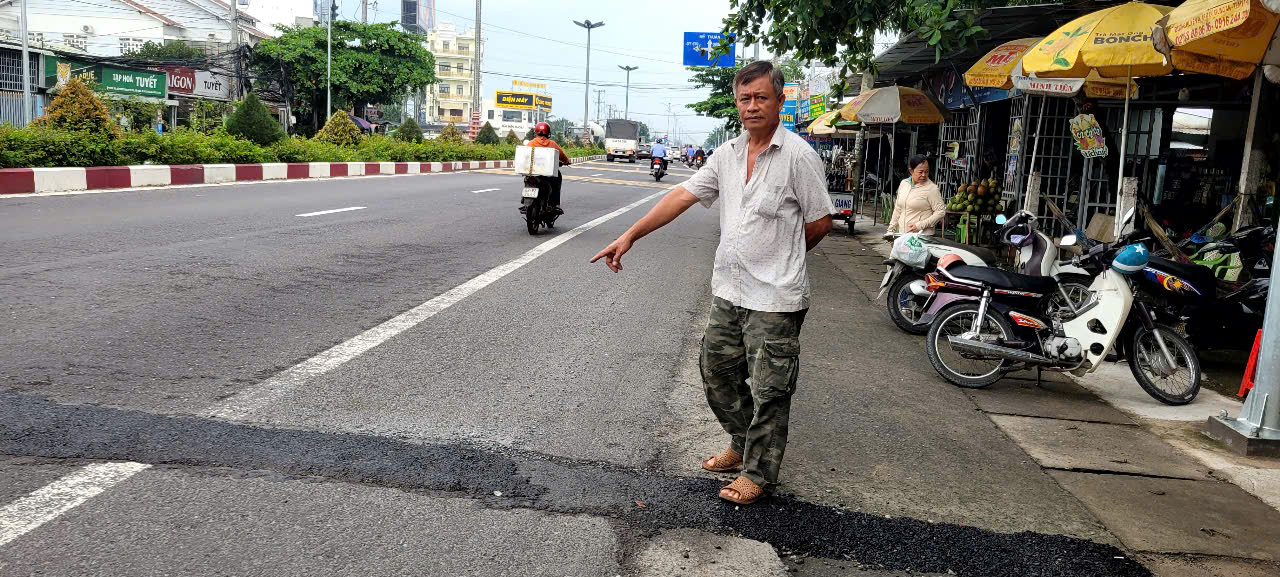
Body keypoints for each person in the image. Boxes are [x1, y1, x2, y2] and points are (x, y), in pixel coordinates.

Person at [591, 60, 834, 506]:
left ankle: (758, 474)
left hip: (775, 298)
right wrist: (629, 236)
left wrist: (783, 258)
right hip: (729, 290)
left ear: (780, 101)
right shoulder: (727, 155)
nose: (752, 106)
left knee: (771, 388)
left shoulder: (799, 156)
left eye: (761, 97)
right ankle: (742, 442)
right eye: (745, 98)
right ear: (737, 103)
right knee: (716, 373)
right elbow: (681, 196)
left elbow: (820, 222)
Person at [885, 154, 945, 235]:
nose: (924, 175)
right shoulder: (904, 184)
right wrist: (891, 229)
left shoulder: (931, 188)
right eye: (920, 172)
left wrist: (920, 226)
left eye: (926, 171)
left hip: (922, 235)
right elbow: (898, 208)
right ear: (911, 171)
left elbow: (940, 212)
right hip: (903, 234)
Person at [527, 122, 571, 214]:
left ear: (536, 132)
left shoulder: (531, 143)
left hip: (533, 172)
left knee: (527, 180)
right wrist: (566, 161)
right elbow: (562, 156)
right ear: (548, 133)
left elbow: (525, 156)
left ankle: (526, 202)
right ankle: (554, 204)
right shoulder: (552, 144)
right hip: (547, 173)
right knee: (557, 177)